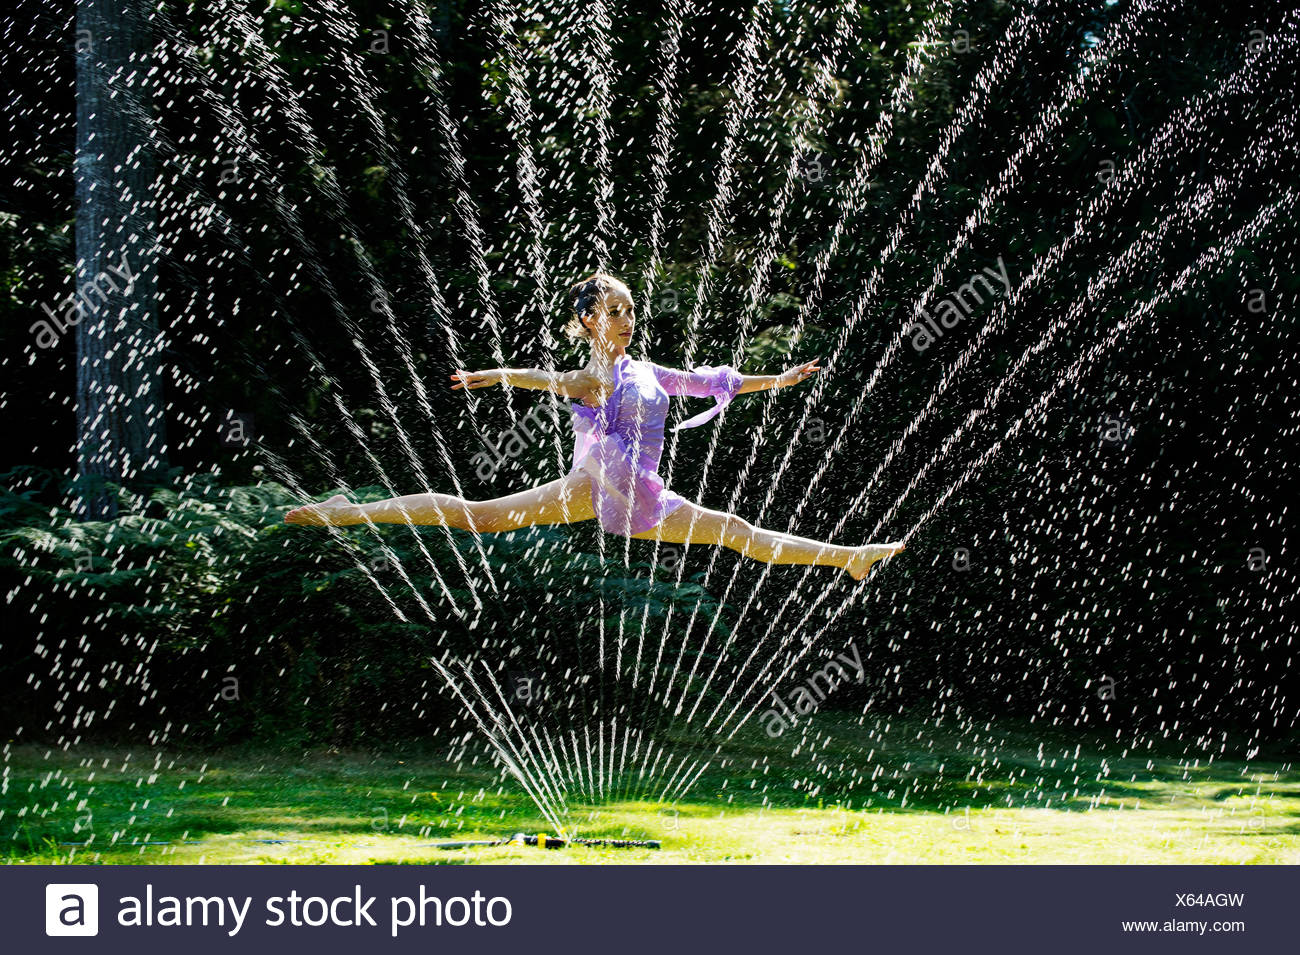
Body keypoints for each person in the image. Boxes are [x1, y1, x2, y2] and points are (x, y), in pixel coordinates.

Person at [285, 272, 904, 580]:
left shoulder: (646, 369)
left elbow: (714, 381)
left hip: (643, 497)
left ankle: (848, 558)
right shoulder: (595, 376)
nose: (626, 319)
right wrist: (496, 376)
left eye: (630, 310)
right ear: (587, 322)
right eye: (613, 312)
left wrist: (778, 381)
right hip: (596, 485)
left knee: (734, 531)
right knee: (478, 514)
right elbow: (549, 379)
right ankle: (345, 511)